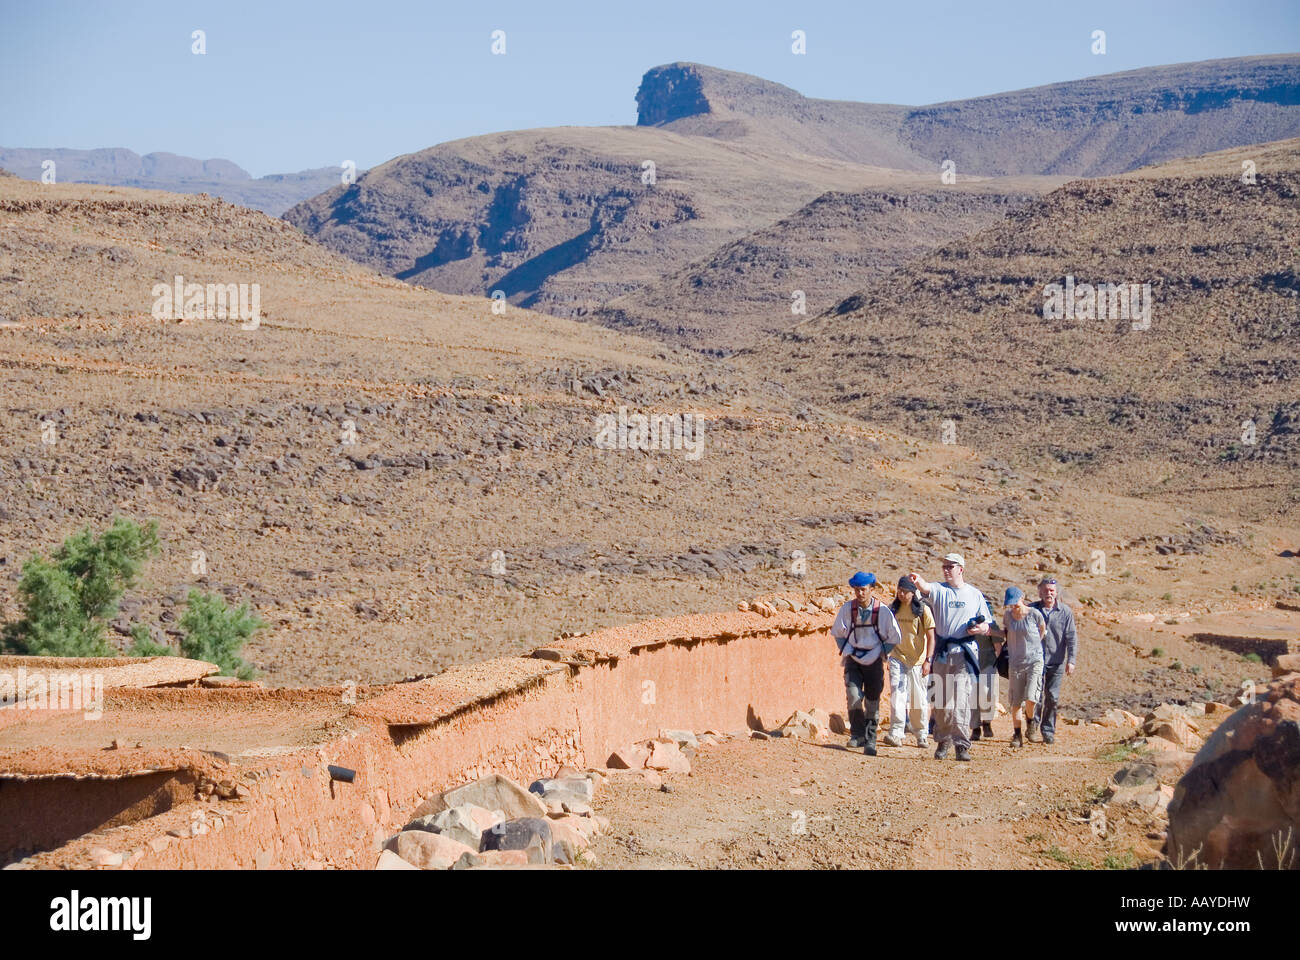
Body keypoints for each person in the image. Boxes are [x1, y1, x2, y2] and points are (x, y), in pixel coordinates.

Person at [908, 553, 995, 762]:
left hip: (964, 653)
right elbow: (926, 587)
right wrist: (916, 580)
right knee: (943, 701)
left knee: (962, 699)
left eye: (950, 566)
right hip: (943, 654)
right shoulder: (939, 590)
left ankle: (962, 745)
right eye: (944, 566)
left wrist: (980, 628)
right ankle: (943, 741)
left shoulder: (974, 594)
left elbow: (987, 625)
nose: (946, 570)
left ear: (960, 569)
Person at [830, 572, 902, 756]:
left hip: (874, 661)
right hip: (853, 659)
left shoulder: (882, 611)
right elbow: (838, 632)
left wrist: (882, 652)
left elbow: (895, 636)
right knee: (853, 696)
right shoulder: (848, 609)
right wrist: (848, 648)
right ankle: (857, 734)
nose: (860, 593)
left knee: (872, 700)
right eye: (856, 590)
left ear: (871, 589)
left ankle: (870, 739)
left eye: (863, 589)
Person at [885, 577, 934, 748]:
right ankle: (896, 733)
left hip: (918, 661)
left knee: (918, 698)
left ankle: (921, 734)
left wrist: (928, 660)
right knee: (898, 695)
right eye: (899, 590)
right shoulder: (893, 609)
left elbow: (931, 636)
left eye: (905, 591)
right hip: (898, 657)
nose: (901, 594)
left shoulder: (923, 610)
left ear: (913, 593)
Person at [1031, 577, 1078, 744]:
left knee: (1052, 696)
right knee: (1035, 696)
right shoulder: (1031, 609)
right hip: (1035, 661)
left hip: (1056, 661)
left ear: (1056, 592)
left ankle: (1048, 731)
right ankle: (1032, 727)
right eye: (1045, 590)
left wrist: (1071, 660)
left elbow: (1071, 637)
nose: (1048, 593)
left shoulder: (1065, 612)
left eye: (1051, 590)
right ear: (1039, 592)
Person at [1002, 586, 1047, 746]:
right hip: (1015, 663)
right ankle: (1017, 735)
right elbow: (1006, 633)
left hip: (1034, 661)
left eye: (1015, 602)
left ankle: (1031, 724)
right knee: (1015, 701)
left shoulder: (1035, 614)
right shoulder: (1007, 616)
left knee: (1031, 697)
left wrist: (1033, 648)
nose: (1013, 606)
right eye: (1011, 603)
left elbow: (1042, 631)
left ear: (1022, 598)